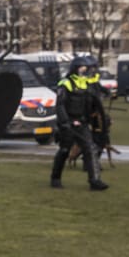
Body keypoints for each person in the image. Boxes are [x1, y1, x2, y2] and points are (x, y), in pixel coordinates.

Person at [50, 56, 108, 192]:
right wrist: (64, 123)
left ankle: (95, 180)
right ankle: (55, 178)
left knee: (90, 148)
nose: (85, 71)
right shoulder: (65, 83)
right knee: (64, 150)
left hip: (81, 122)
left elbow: (94, 103)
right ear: (75, 69)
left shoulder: (87, 84)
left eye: (86, 69)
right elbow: (60, 105)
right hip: (68, 122)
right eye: (82, 69)